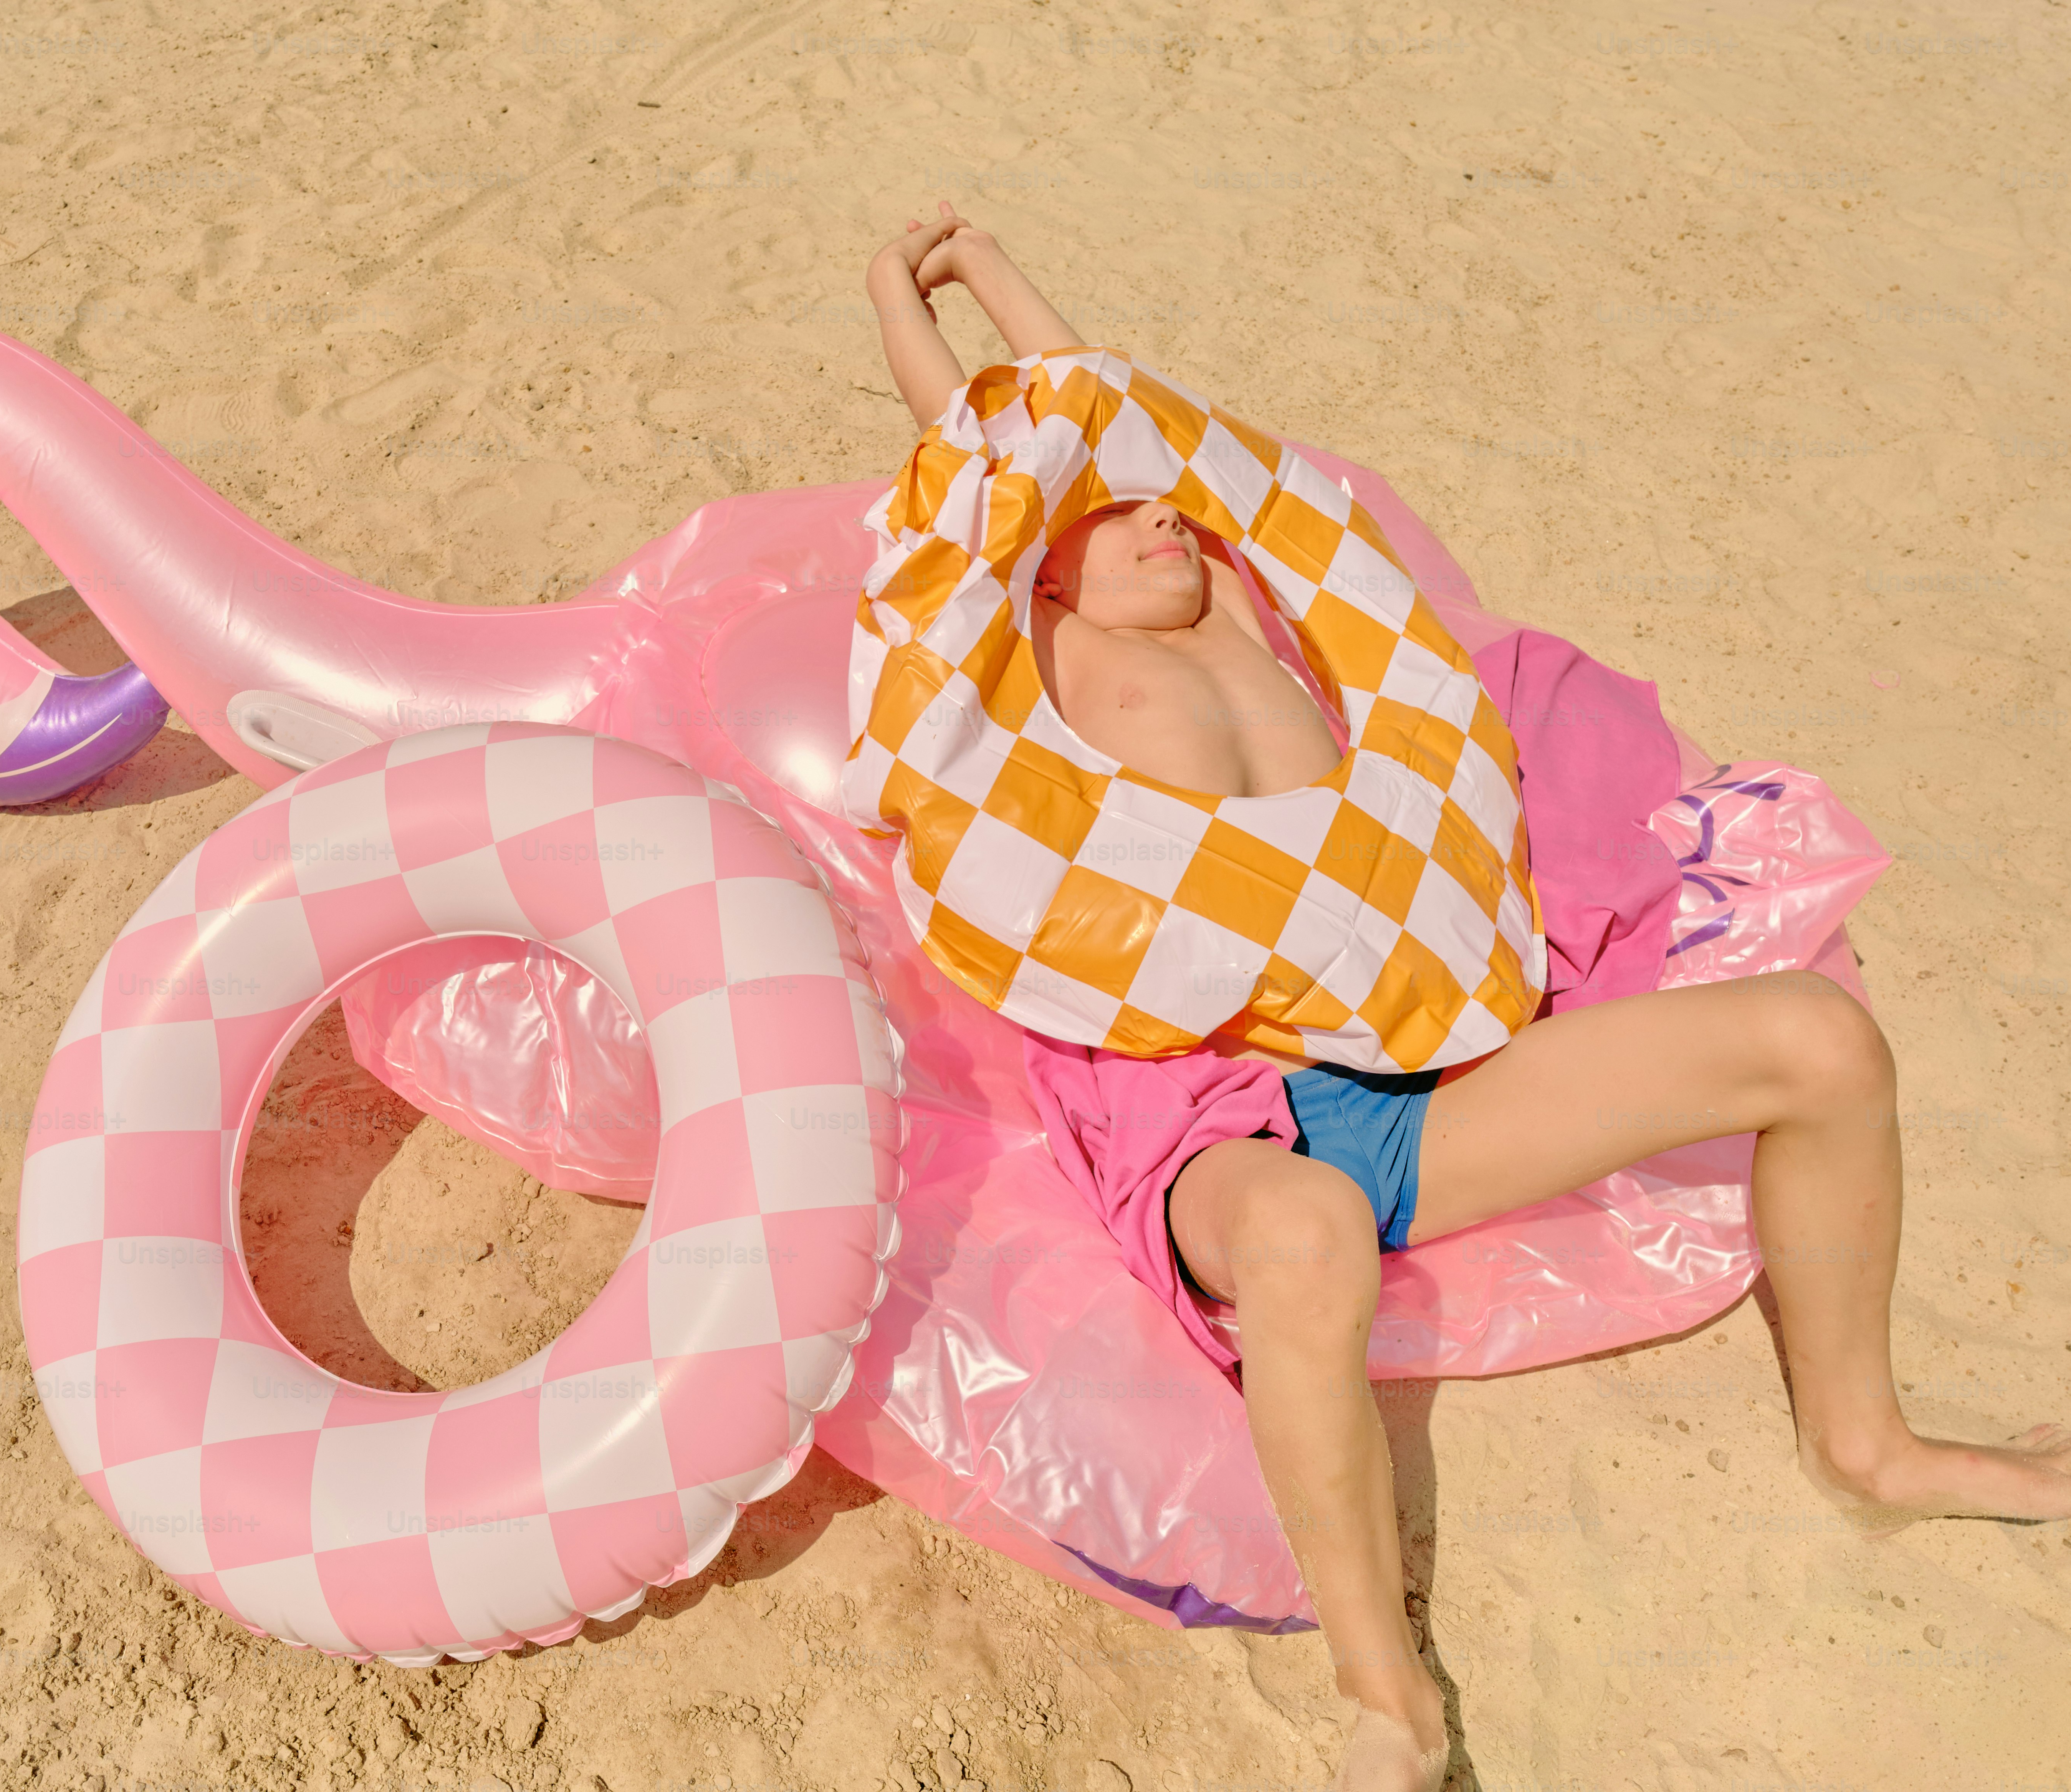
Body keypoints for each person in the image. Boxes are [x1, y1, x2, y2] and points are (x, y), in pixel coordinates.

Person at [863, 200, 2071, 1790]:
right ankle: (1391, 1701)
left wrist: (1025, 284)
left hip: (1429, 1065)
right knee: (1299, 1239)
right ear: (1044, 559)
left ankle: (1870, 1444)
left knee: (1820, 1042)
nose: (1154, 522)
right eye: (1112, 518)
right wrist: (909, 292)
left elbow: (1148, 421)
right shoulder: (1048, 667)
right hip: (1244, 1108)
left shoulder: (1240, 606)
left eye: (1168, 511)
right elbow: (1001, 454)